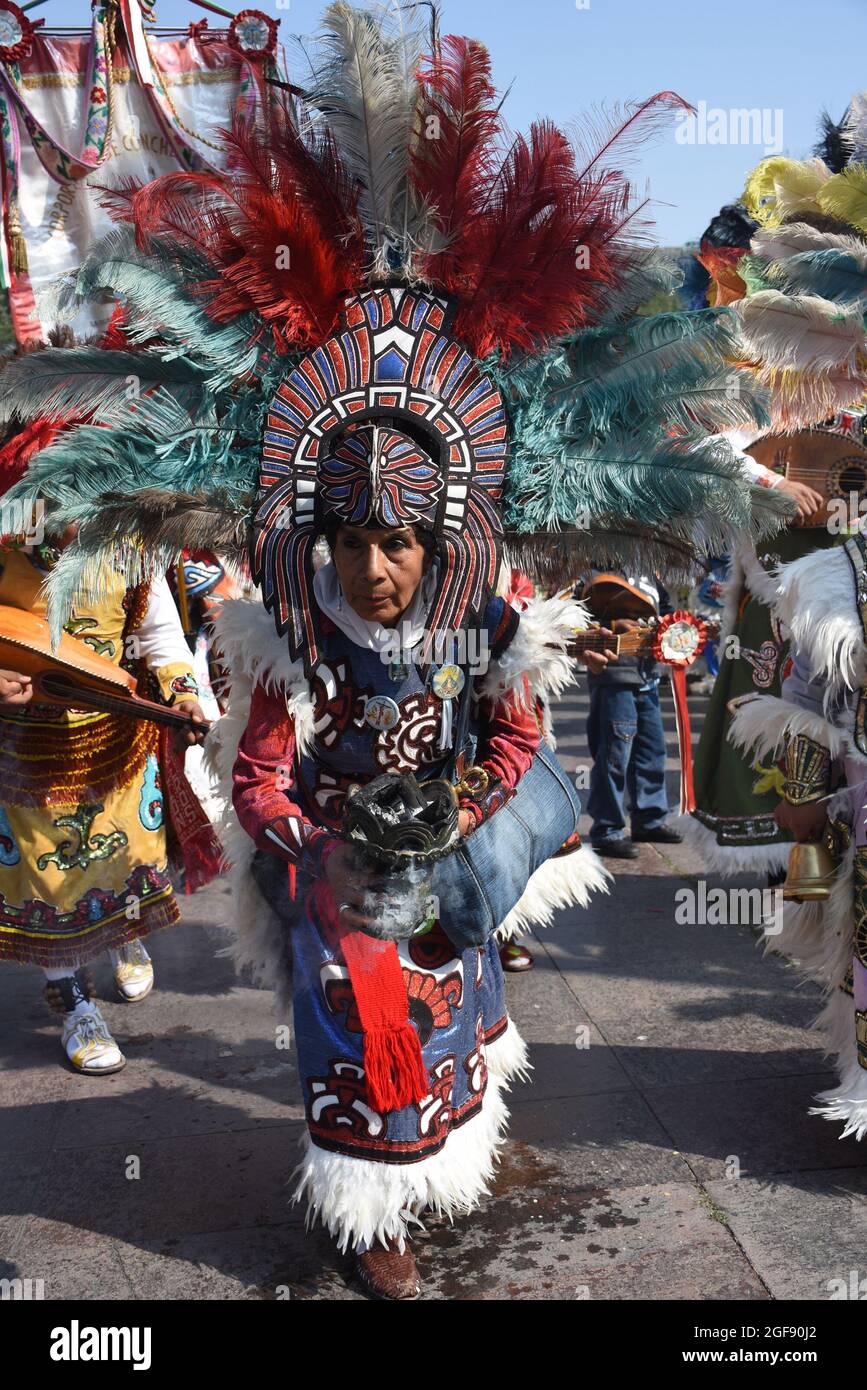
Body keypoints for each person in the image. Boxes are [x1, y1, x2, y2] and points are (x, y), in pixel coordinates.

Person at [0, 3, 788, 1296]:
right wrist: (316, 838)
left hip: (448, 861)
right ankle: (367, 1215)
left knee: (449, 1014)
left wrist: (463, 811)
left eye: (400, 539)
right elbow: (255, 772)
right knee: (350, 1022)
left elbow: (523, 732)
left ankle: (429, 1165)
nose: (375, 563)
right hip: (335, 874)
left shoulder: (481, 618)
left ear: (442, 532)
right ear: (319, 530)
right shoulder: (290, 627)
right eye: (353, 537)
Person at [0, 532, 207, 1074]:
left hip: (117, 739)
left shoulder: (130, 543)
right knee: (45, 881)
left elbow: (159, 632)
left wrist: (183, 691)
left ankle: (124, 934)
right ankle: (72, 1002)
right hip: (25, 753)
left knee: (126, 861)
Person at [579, 573, 682, 859]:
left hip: (648, 677)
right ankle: (608, 829)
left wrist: (675, 629)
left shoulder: (653, 577)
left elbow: (669, 614)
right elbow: (572, 622)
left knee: (652, 751)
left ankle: (649, 819)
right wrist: (609, 626)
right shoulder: (594, 572)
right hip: (614, 678)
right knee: (614, 755)